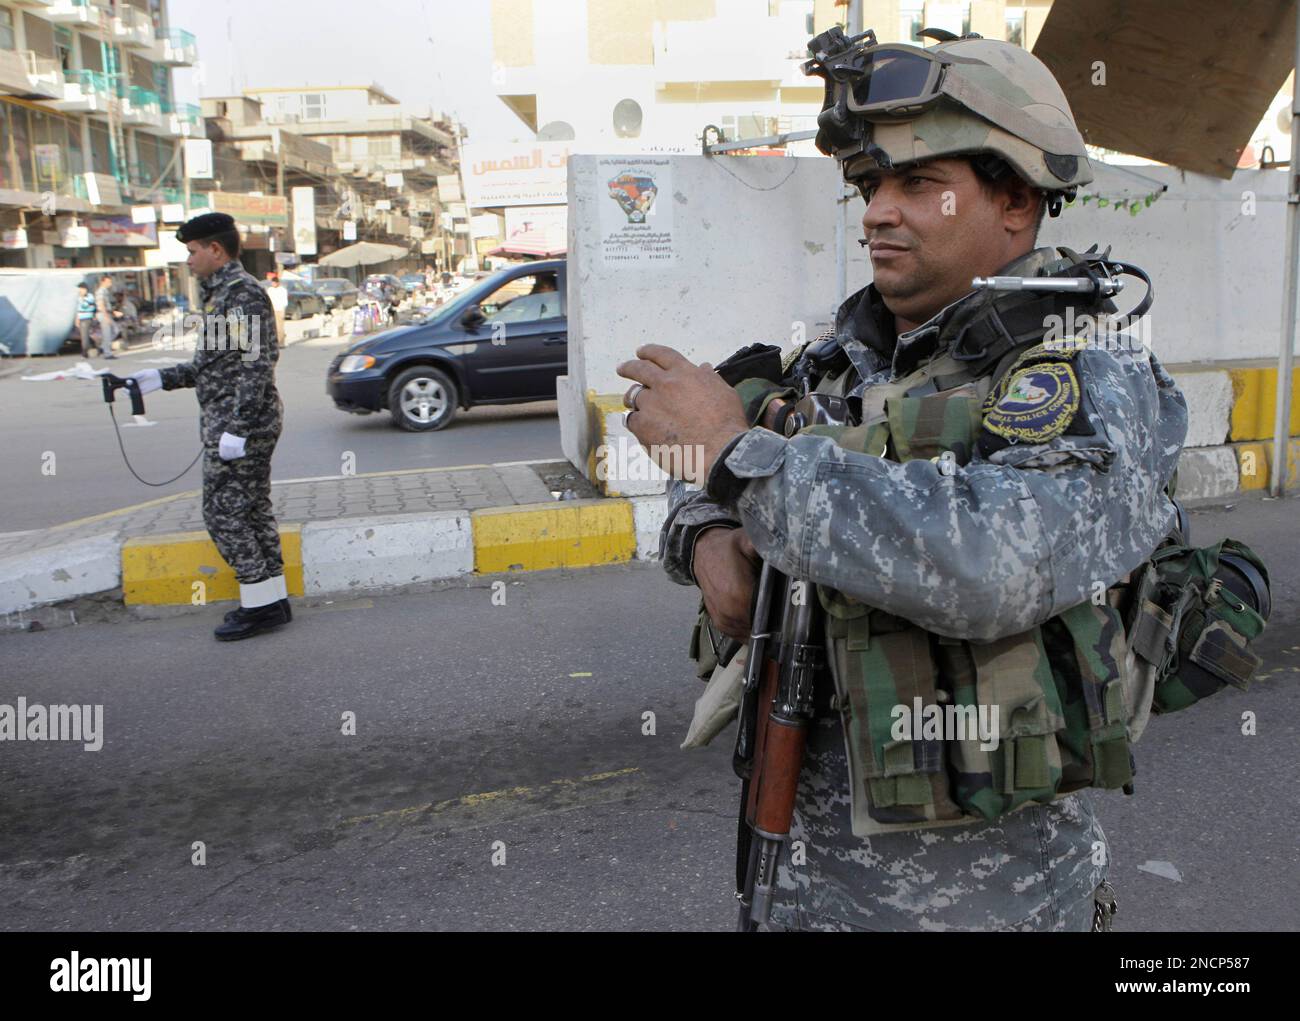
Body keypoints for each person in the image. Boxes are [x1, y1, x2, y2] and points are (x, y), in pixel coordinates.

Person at [617, 28, 1188, 931]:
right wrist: (703, 536)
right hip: (800, 882)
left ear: (1016, 201)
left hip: (984, 904)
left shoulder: (1087, 368)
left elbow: (997, 565)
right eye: (870, 185)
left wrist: (735, 461)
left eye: (918, 184)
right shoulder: (844, 358)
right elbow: (714, 451)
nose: (879, 210)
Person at [125, 212, 290, 642]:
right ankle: (272, 599)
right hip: (238, 421)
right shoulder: (221, 295)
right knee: (252, 511)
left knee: (223, 514)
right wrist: (159, 378)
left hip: (240, 424)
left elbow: (256, 365)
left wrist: (238, 427)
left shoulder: (242, 296)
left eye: (192, 251)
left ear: (215, 250)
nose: (188, 260)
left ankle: (260, 608)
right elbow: (212, 367)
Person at [93, 275, 118, 359]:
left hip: (107, 313)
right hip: (103, 314)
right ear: (102, 282)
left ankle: (103, 347)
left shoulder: (105, 291)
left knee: (115, 330)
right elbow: (101, 304)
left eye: (110, 282)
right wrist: (106, 316)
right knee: (107, 333)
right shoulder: (100, 291)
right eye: (108, 282)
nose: (110, 284)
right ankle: (107, 353)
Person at [264, 272, 288, 341]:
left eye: (274, 283)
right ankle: (275, 341)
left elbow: (284, 301)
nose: (273, 284)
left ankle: (281, 342)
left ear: (277, 283)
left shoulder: (282, 290)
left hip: (280, 309)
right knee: (273, 327)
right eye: (272, 283)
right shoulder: (270, 290)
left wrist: (283, 310)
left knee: (280, 327)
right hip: (272, 310)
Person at [75, 284, 96, 358]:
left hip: (87, 317)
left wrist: (83, 298)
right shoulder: (79, 297)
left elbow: (85, 306)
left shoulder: (90, 296)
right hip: (81, 317)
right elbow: (78, 309)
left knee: (84, 335)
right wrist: (77, 319)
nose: (80, 291)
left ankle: (85, 351)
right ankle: (92, 347)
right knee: (84, 335)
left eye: (81, 289)